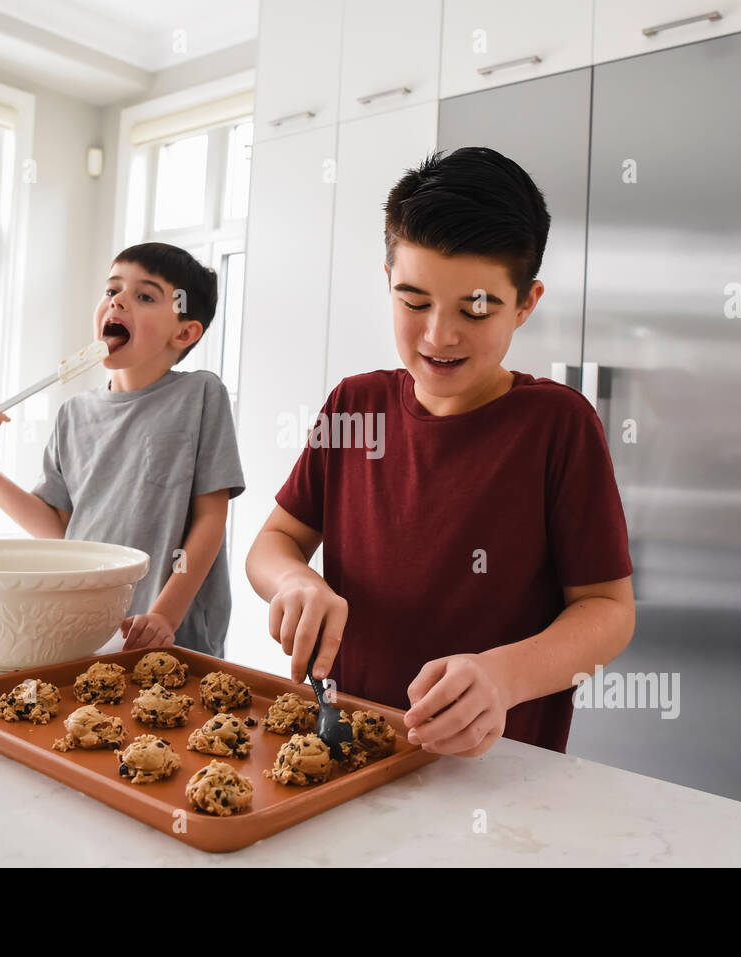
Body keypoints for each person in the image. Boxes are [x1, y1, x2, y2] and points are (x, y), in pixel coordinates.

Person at [245, 148, 634, 756]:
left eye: (475, 308)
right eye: (415, 301)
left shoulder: (559, 425)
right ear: (388, 283)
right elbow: (274, 542)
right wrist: (294, 581)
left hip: (494, 758)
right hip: (348, 740)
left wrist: (504, 677)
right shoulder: (355, 404)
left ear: (526, 304)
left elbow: (608, 609)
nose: (438, 336)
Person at [0, 242, 244, 656]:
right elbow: (60, 532)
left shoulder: (200, 394)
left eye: (144, 296)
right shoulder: (72, 413)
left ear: (184, 331)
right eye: (112, 291)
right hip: (86, 629)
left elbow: (210, 520)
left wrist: (164, 615)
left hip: (171, 635)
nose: (119, 300)